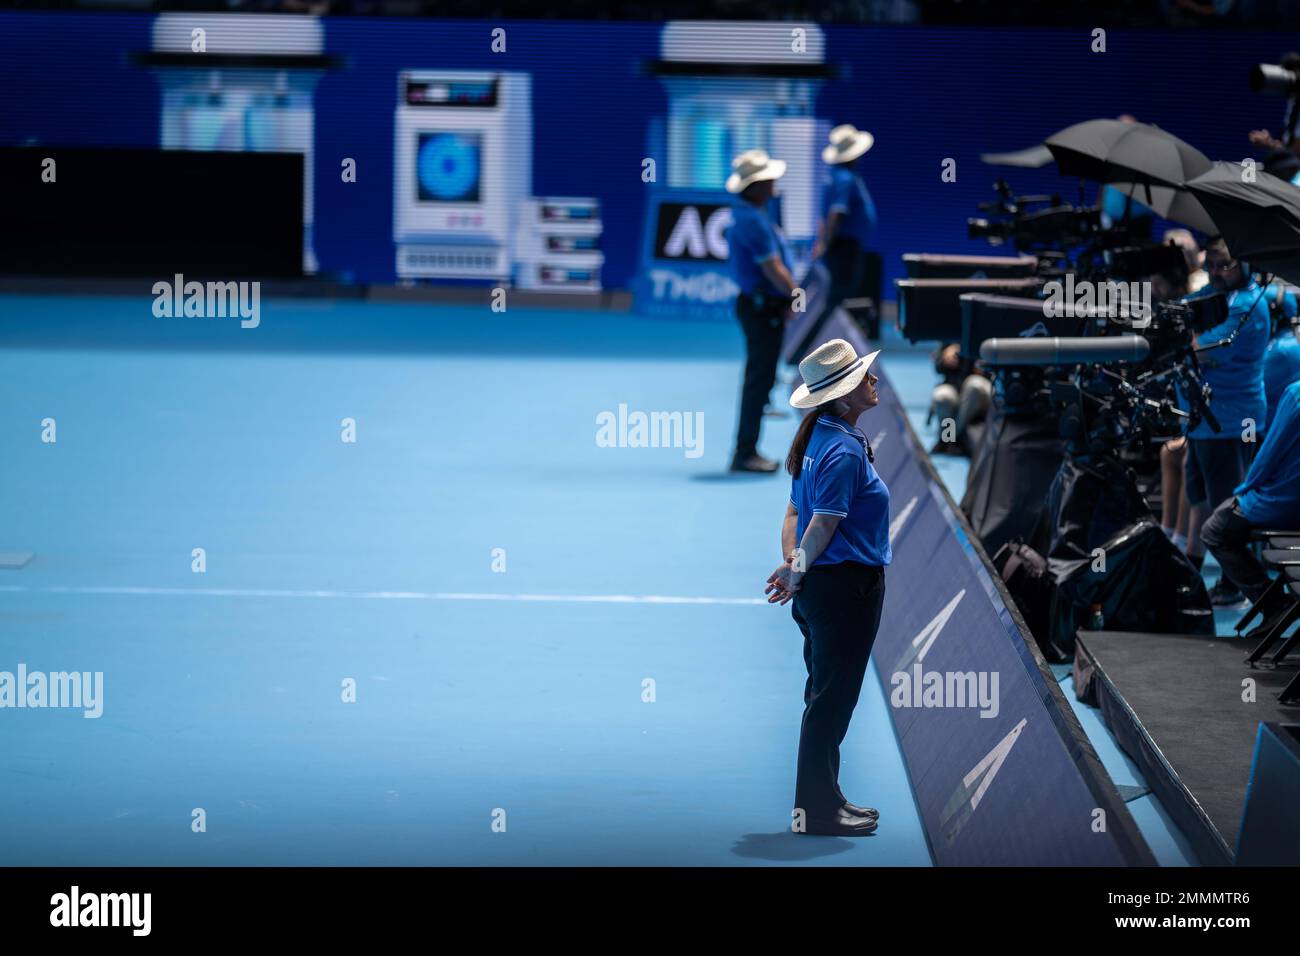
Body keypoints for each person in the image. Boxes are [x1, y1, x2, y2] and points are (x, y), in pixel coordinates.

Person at [765, 339, 890, 837]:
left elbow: (794, 514)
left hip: (821, 587)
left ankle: (823, 798)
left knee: (823, 697)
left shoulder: (820, 436)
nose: (874, 380)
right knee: (831, 703)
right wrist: (797, 568)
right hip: (845, 591)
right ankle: (816, 812)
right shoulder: (840, 449)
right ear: (843, 396)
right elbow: (821, 524)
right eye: (865, 377)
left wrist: (796, 567)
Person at [1181, 238, 1272, 605]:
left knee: (1226, 503)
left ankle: (1241, 585)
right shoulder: (1214, 294)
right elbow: (1184, 316)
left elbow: (1201, 350)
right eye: (1212, 265)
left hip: (1232, 421)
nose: (1216, 273)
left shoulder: (1249, 305)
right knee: (1199, 495)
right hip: (1203, 419)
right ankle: (1190, 569)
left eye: (1225, 266)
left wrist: (1184, 334)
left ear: (1245, 265)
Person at [726, 149, 797, 474]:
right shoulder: (752, 219)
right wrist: (795, 295)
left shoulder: (750, 213)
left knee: (761, 377)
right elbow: (773, 268)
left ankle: (747, 450)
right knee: (758, 379)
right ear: (755, 186)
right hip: (761, 308)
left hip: (761, 306)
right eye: (768, 179)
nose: (774, 183)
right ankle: (745, 453)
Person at [1202, 379, 1300, 603]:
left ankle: (1272, 603)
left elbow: (1267, 457)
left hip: (1285, 505)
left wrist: (1245, 489)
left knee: (1214, 530)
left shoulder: (1296, 394)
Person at [794, 125, 878, 357]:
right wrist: (825, 243)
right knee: (837, 298)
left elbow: (827, 217)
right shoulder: (845, 179)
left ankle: (819, 345)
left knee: (836, 297)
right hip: (844, 249)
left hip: (841, 247)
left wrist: (822, 243)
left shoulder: (836, 176)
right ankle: (816, 347)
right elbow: (835, 215)